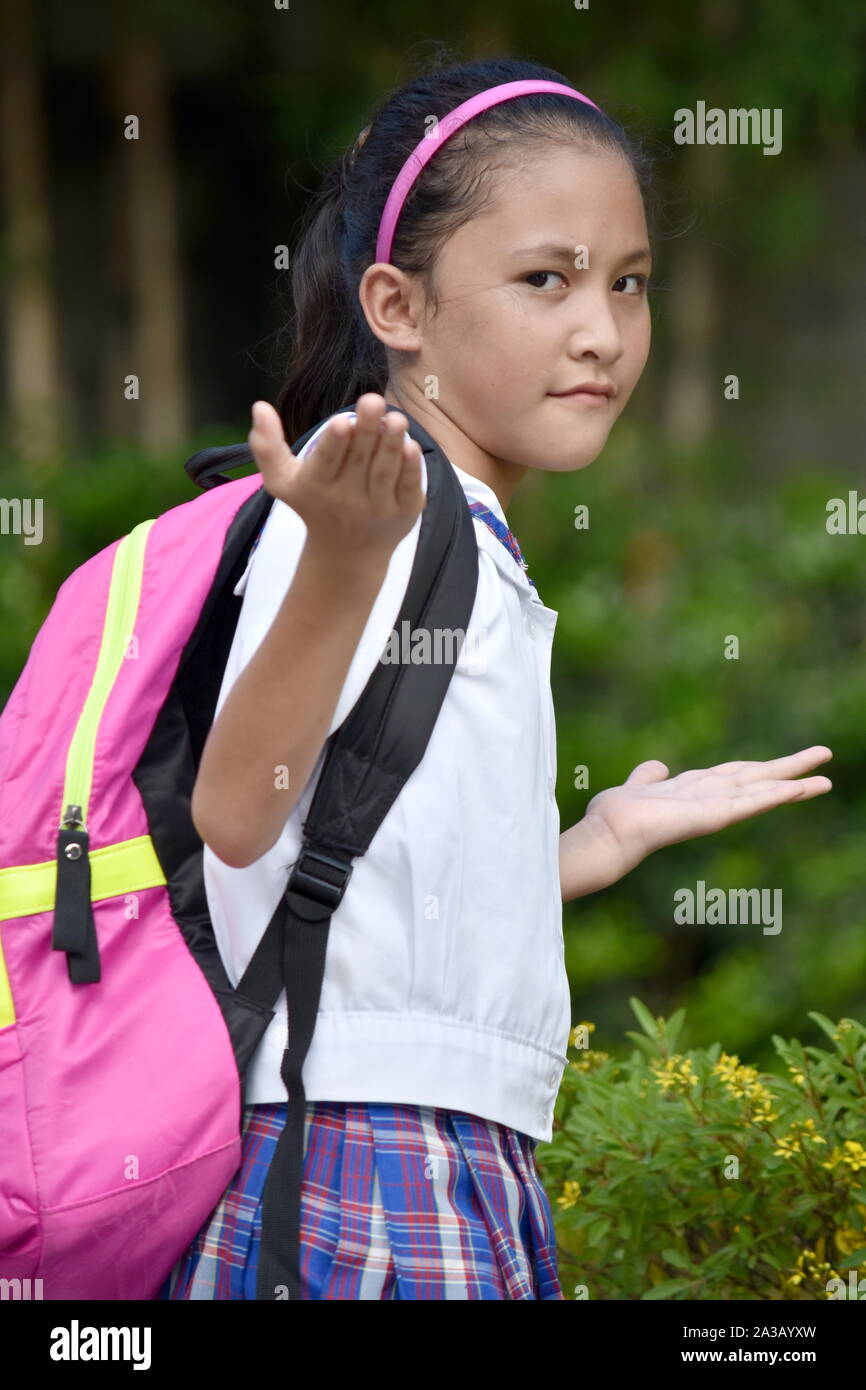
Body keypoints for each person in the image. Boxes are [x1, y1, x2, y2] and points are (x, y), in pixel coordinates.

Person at [158, 55, 832, 1301]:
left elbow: (360, 854)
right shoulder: (368, 501)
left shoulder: (457, 525)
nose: (603, 331)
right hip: (361, 1150)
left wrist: (587, 840)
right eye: (545, 280)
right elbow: (237, 814)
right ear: (397, 308)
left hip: (436, 1142)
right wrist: (340, 561)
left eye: (628, 284)